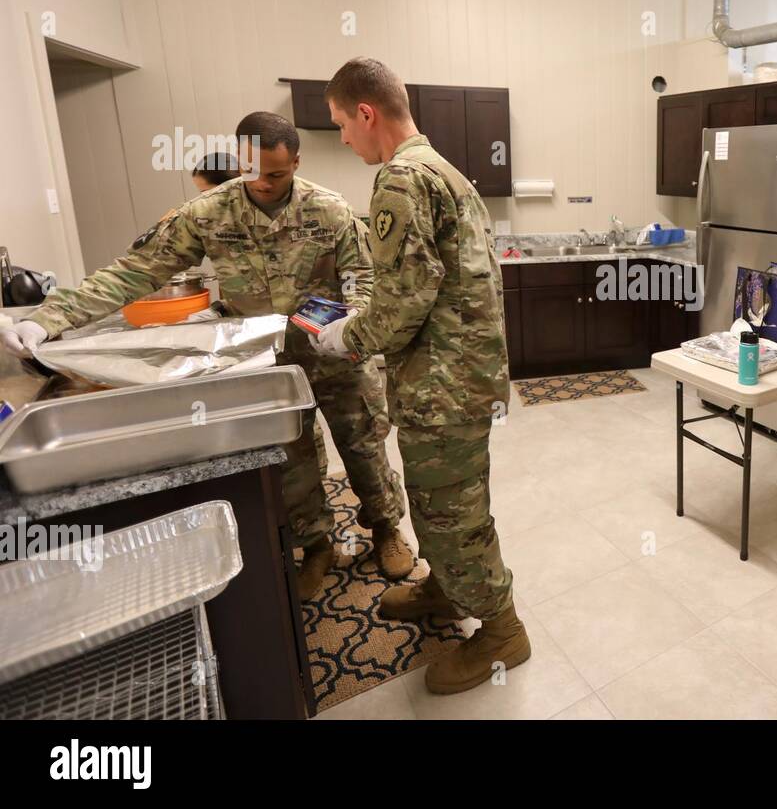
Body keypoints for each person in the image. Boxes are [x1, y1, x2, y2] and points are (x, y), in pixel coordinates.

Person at [1, 112, 416, 597]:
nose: (262, 183)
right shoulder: (207, 213)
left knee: (364, 445)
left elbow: (362, 276)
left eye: (276, 174)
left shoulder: (329, 210)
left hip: (337, 356)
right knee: (291, 460)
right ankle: (317, 543)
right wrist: (47, 318)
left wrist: (354, 323)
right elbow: (133, 272)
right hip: (266, 364)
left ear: (296, 162)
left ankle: (387, 528)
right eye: (251, 171)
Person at [310, 57, 527, 695]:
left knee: (452, 514)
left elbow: (403, 301)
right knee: (443, 504)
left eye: (341, 125)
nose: (343, 139)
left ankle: (501, 629)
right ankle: (445, 587)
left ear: (366, 113)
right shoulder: (443, 169)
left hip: (444, 387)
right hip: (460, 378)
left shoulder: (401, 180)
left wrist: (342, 336)